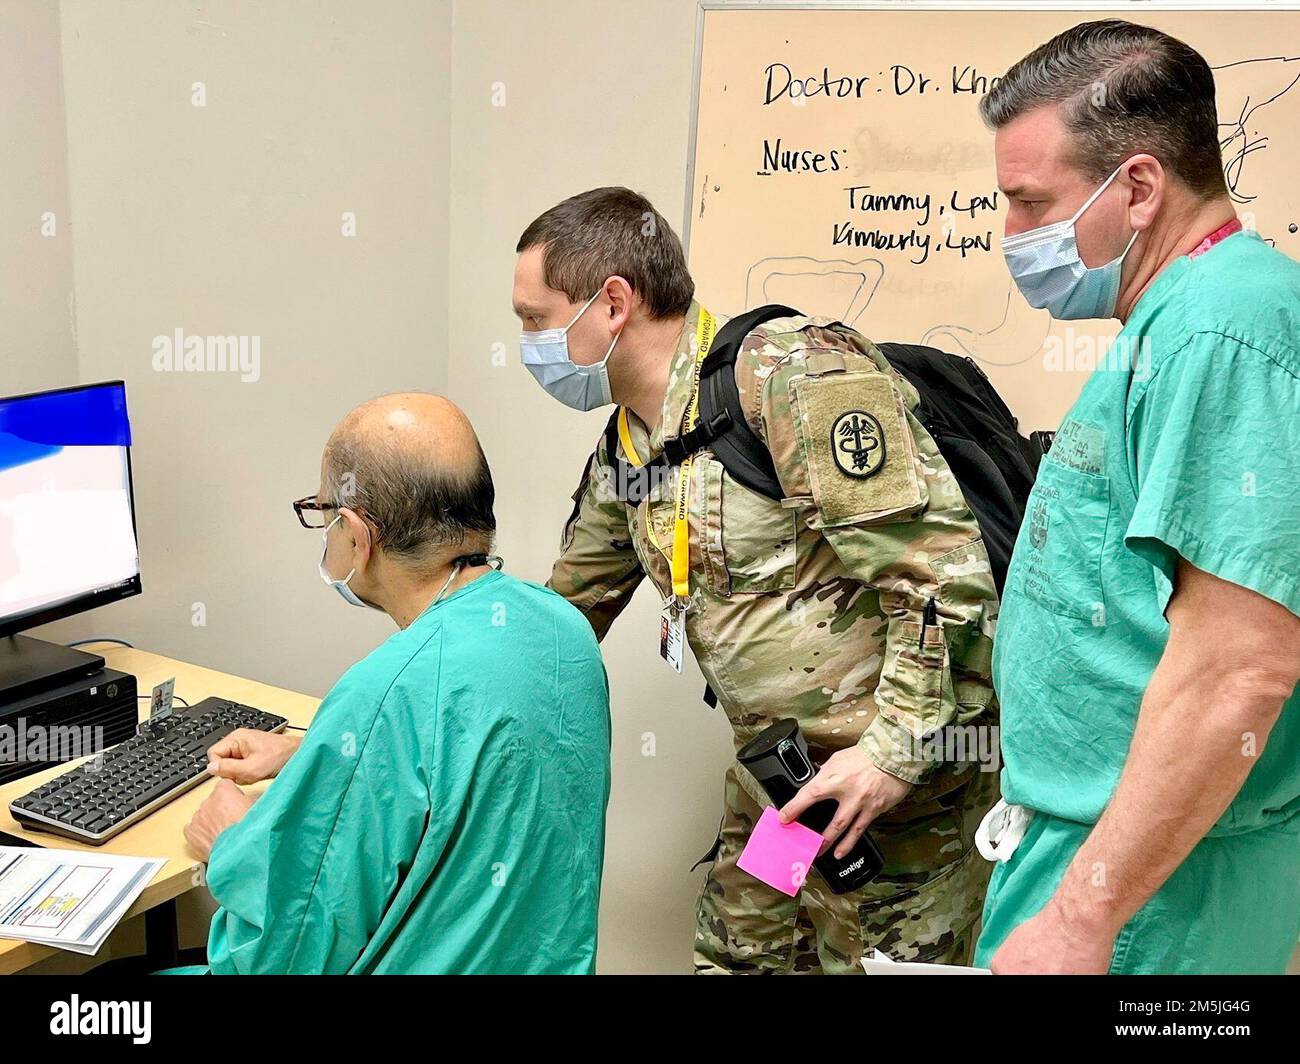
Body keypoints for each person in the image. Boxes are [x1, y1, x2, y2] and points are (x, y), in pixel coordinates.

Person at [513, 187, 1000, 973]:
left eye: (535, 319)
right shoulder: (632, 452)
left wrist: (889, 757)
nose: (526, 344)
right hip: (785, 790)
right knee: (741, 959)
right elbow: (557, 622)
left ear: (612, 303)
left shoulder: (790, 376)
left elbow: (943, 577)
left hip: (900, 803)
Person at [974, 20, 1300, 974]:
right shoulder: (1183, 316)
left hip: (1152, 897)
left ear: (1141, 188)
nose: (1013, 236)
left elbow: (1242, 666)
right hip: (1121, 867)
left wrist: (1085, 916)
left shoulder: (1219, 330)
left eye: (1030, 204)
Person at [181, 393, 612, 974]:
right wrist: (315, 753)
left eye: (323, 513)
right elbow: (474, 754)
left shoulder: (383, 692)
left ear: (358, 535)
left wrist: (229, 845)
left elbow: (289, 956)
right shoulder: (560, 627)